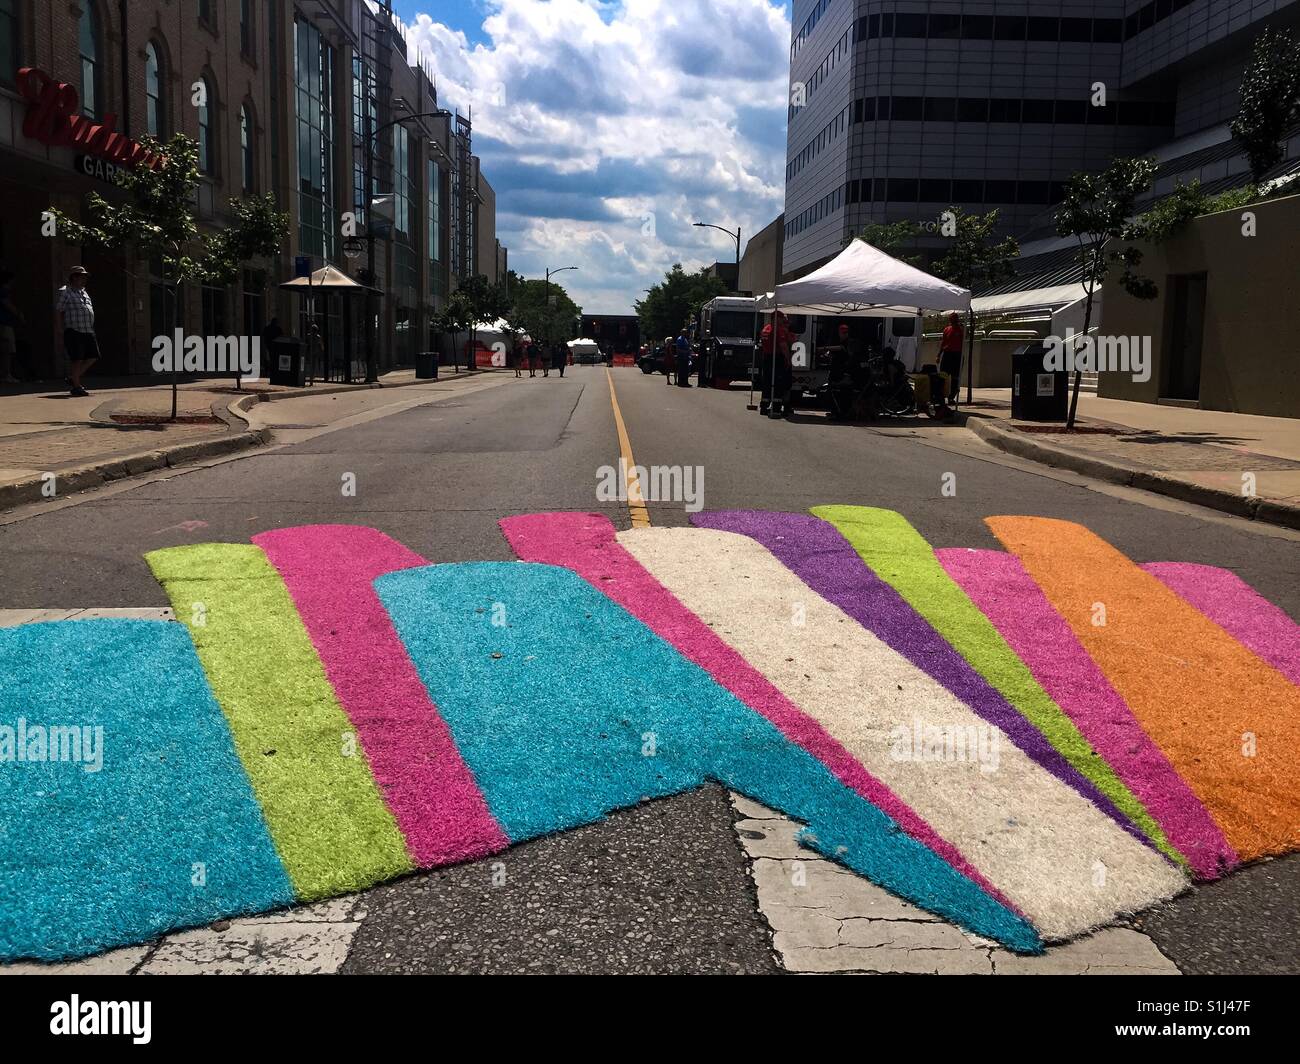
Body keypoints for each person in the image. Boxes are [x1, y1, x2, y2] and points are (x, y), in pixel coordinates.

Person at [56, 266, 99, 396]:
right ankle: (76, 386)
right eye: (82, 276)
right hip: (74, 330)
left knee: (94, 356)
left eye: (85, 276)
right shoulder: (66, 291)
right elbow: (58, 310)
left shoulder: (84, 292)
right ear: (74, 277)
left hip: (88, 330)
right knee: (77, 359)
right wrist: (59, 328)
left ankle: (73, 377)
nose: (84, 279)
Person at [758, 311, 794, 416]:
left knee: (767, 382)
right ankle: (776, 408)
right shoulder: (778, 330)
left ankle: (764, 407)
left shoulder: (766, 329)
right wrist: (788, 359)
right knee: (778, 383)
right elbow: (783, 346)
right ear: (777, 318)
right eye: (782, 318)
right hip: (776, 357)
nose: (783, 320)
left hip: (766, 357)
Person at [939, 312, 965, 407]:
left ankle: (951, 397)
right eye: (952, 319)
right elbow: (943, 343)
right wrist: (939, 355)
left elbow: (966, 336)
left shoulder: (961, 330)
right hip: (947, 355)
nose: (953, 321)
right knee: (943, 376)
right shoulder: (947, 329)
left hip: (957, 355)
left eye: (955, 319)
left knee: (955, 378)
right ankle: (940, 396)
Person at [0, 269, 21, 385]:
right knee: (7, 350)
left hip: (5, 323)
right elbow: (7, 304)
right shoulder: (4, 291)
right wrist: (18, 313)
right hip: (5, 323)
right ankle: (6, 375)